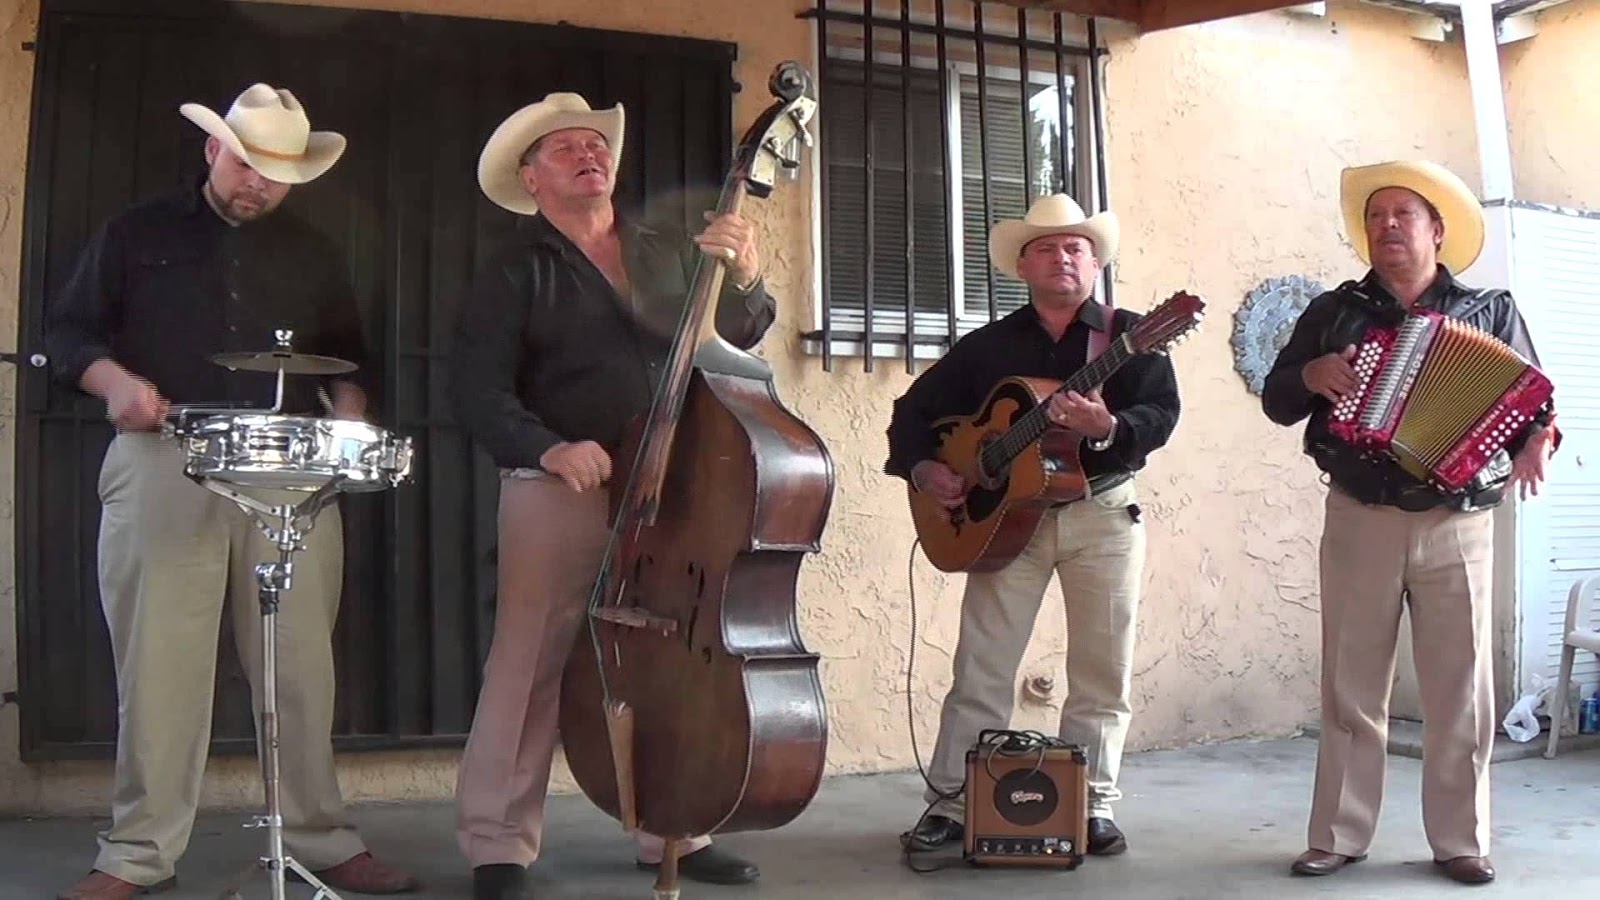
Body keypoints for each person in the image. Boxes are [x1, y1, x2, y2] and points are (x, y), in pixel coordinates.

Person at [42, 84, 420, 899]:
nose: (262, 184)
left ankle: (321, 837)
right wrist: (118, 385)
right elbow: (69, 334)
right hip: (164, 455)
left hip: (290, 467)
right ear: (214, 148)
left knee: (301, 668)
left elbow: (349, 360)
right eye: (250, 163)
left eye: (280, 173)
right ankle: (137, 852)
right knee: (159, 667)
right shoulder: (136, 233)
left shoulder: (315, 251)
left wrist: (347, 426)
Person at [448, 92, 773, 900]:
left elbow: (736, 333)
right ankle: (498, 846)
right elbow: (476, 390)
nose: (589, 155)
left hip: (669, 480)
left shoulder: (662, 247)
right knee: (530, 661)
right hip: (560, 486)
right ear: (531, 177)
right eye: (565, 149)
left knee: (662, 655)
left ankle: (671, 830)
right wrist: (548, 447)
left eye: (596, 144)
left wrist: (747, 274)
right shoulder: (513, 268)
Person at [1262, 160, 1560, 886]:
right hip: (1360, 510)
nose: (1387, 226)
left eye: (1402, 214)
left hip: (1457, 520)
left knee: (1461, 684)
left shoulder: (1490, 310)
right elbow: (1278, 398)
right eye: (1375, 216)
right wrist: (1311, 375)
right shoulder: (1335, 312)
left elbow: (1536, 405)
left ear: (1436, 230)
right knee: (1351, 681)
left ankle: (1462, 839)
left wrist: (1533, 444)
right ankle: (1338, 833)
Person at [886, 193, 1182, 858]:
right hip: (1005, 525)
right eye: (1046, 247)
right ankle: (952, 805)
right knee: (982, 666)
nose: (1063, 257)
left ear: (1095, 261)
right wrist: (924, 470)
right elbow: (913, 412)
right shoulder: (987, 347)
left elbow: (1161, 414)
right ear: (1023, 265)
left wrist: (1109, 426)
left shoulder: (1132, 335)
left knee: (1103, 669)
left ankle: (1094, 803)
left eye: (1075, 246)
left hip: (1102, 515)